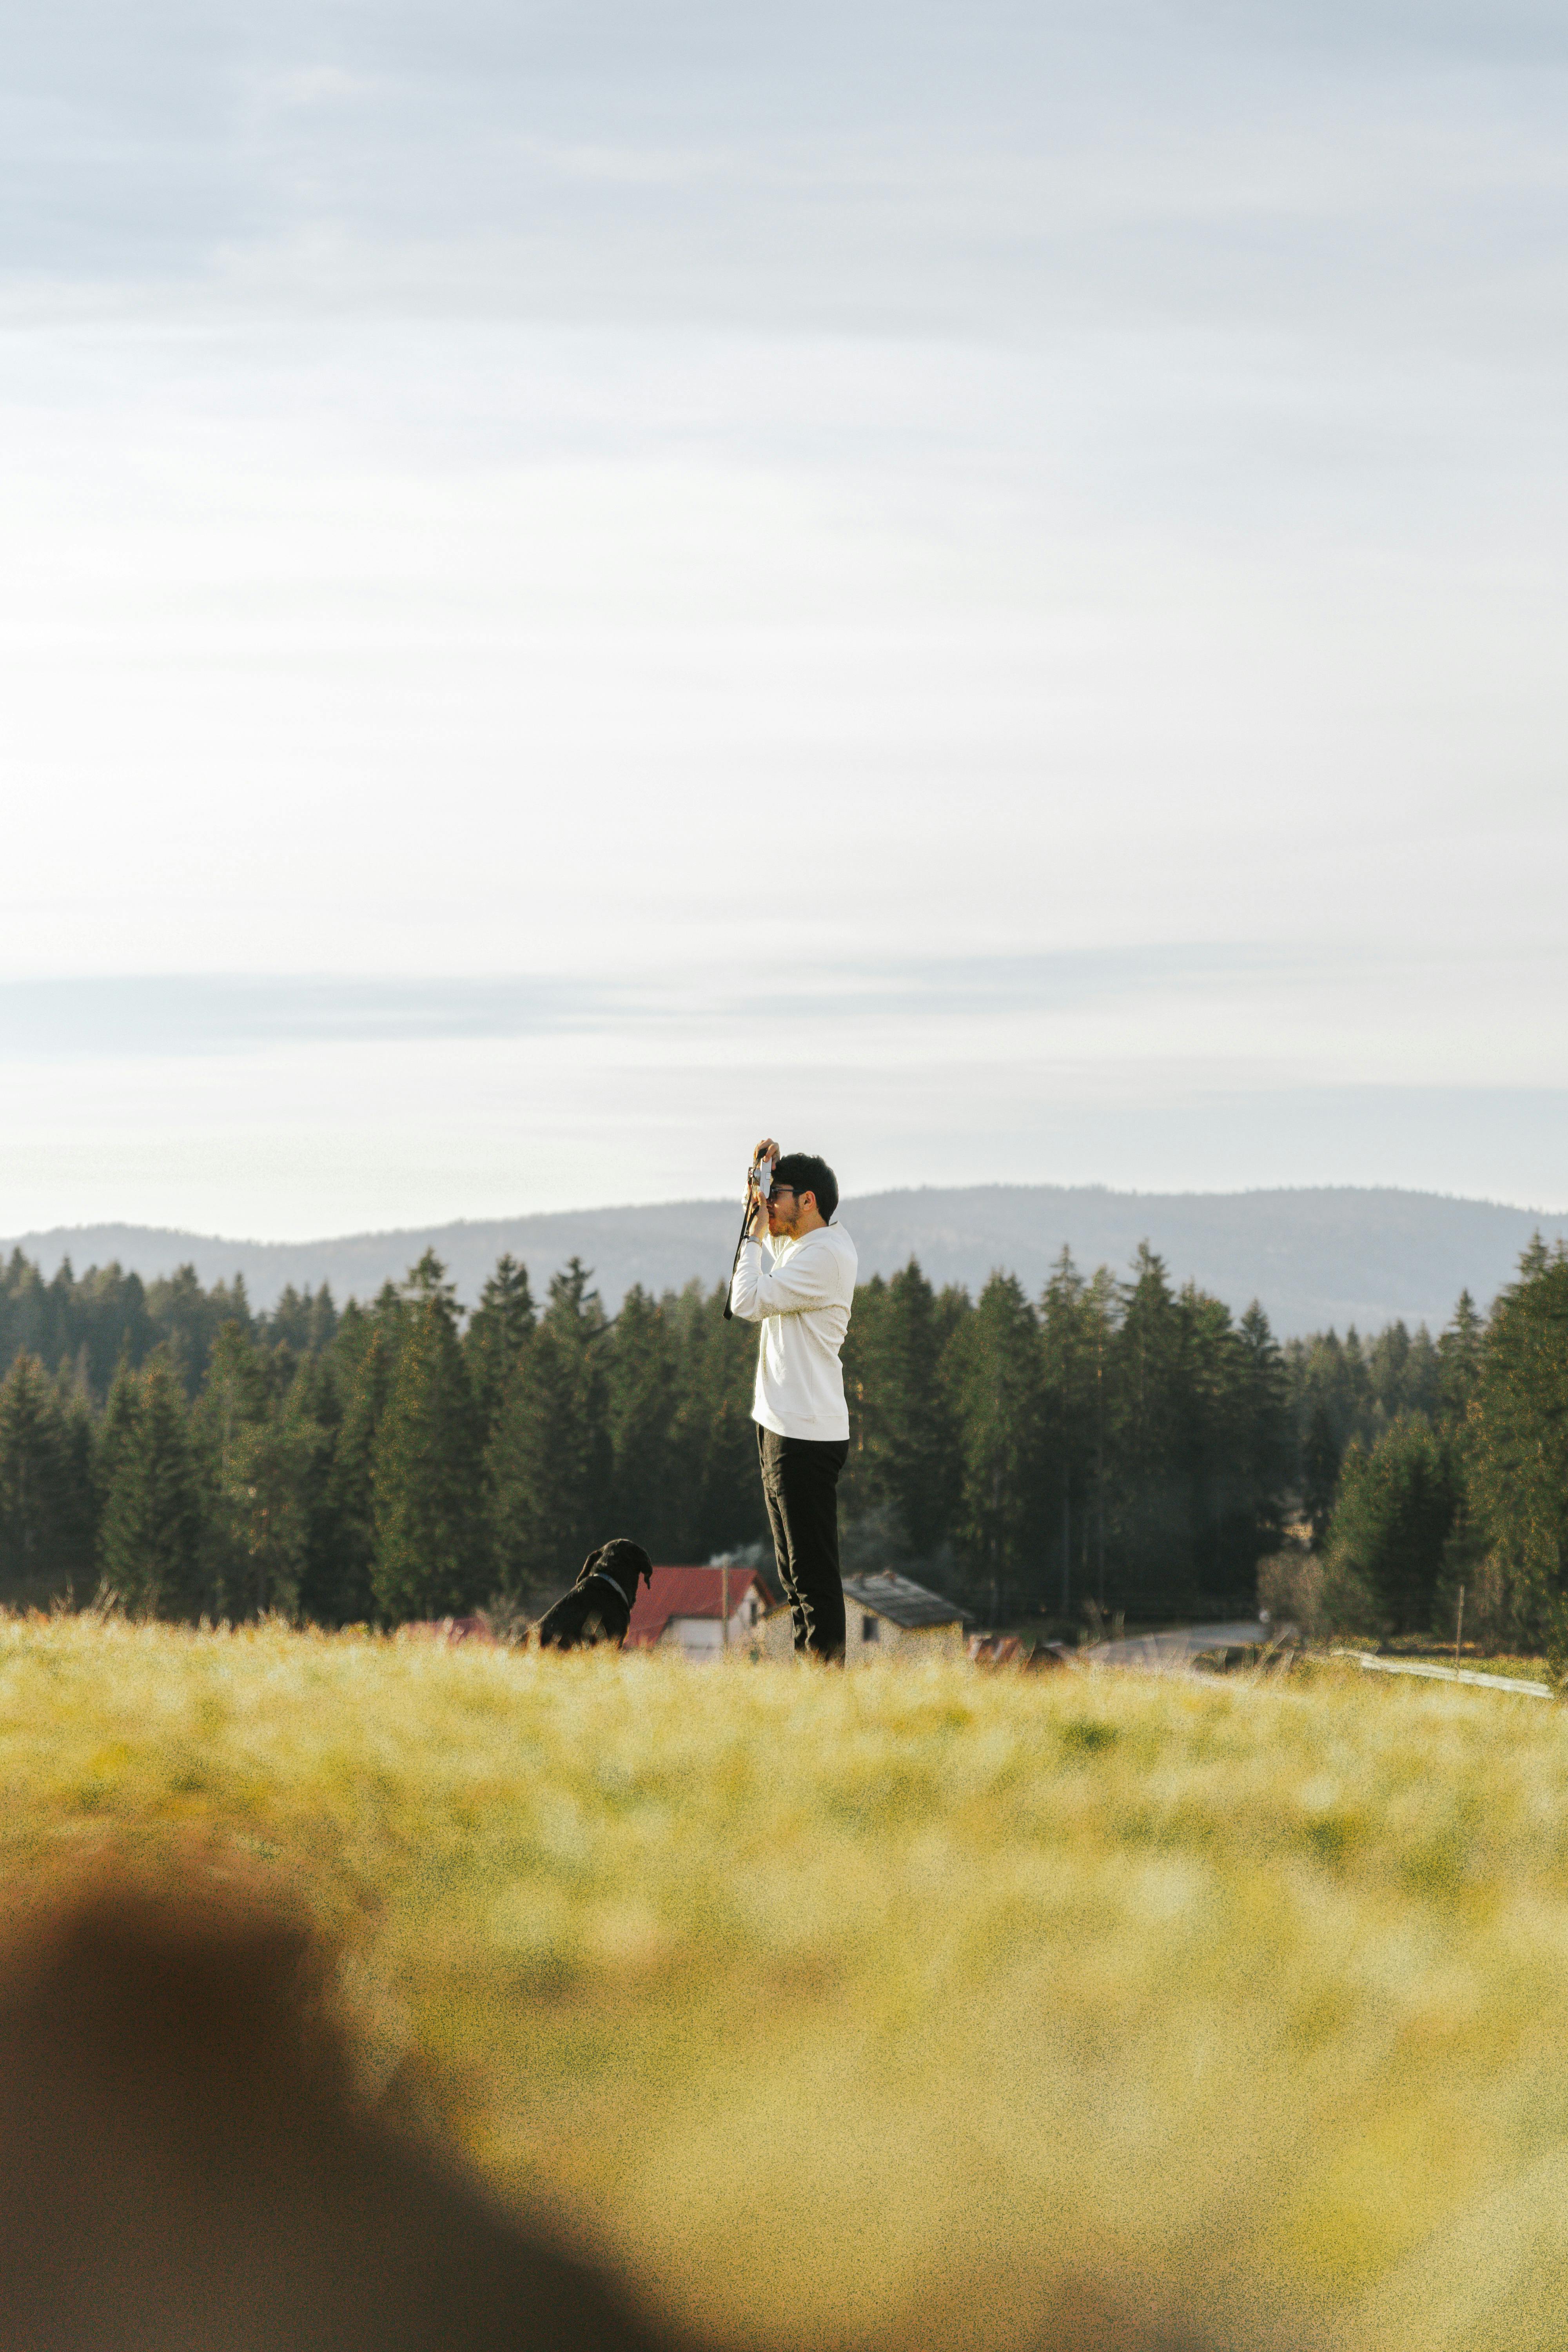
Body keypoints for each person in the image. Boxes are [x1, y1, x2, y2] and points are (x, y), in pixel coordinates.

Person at [728, 1140, 857, 1662]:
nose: (767, 1206)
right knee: (793, 1572)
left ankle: (825, 1685)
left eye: (776, 1196)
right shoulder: (811, 1244)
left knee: (811, 1576)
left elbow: (745, 1300)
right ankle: (815, 1681)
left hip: (804, 1433)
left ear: (808, 1201)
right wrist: (760, 1188)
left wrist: (751, 1237)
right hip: (785, 1425)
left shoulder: (823, 1257)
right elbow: (777, 1244)